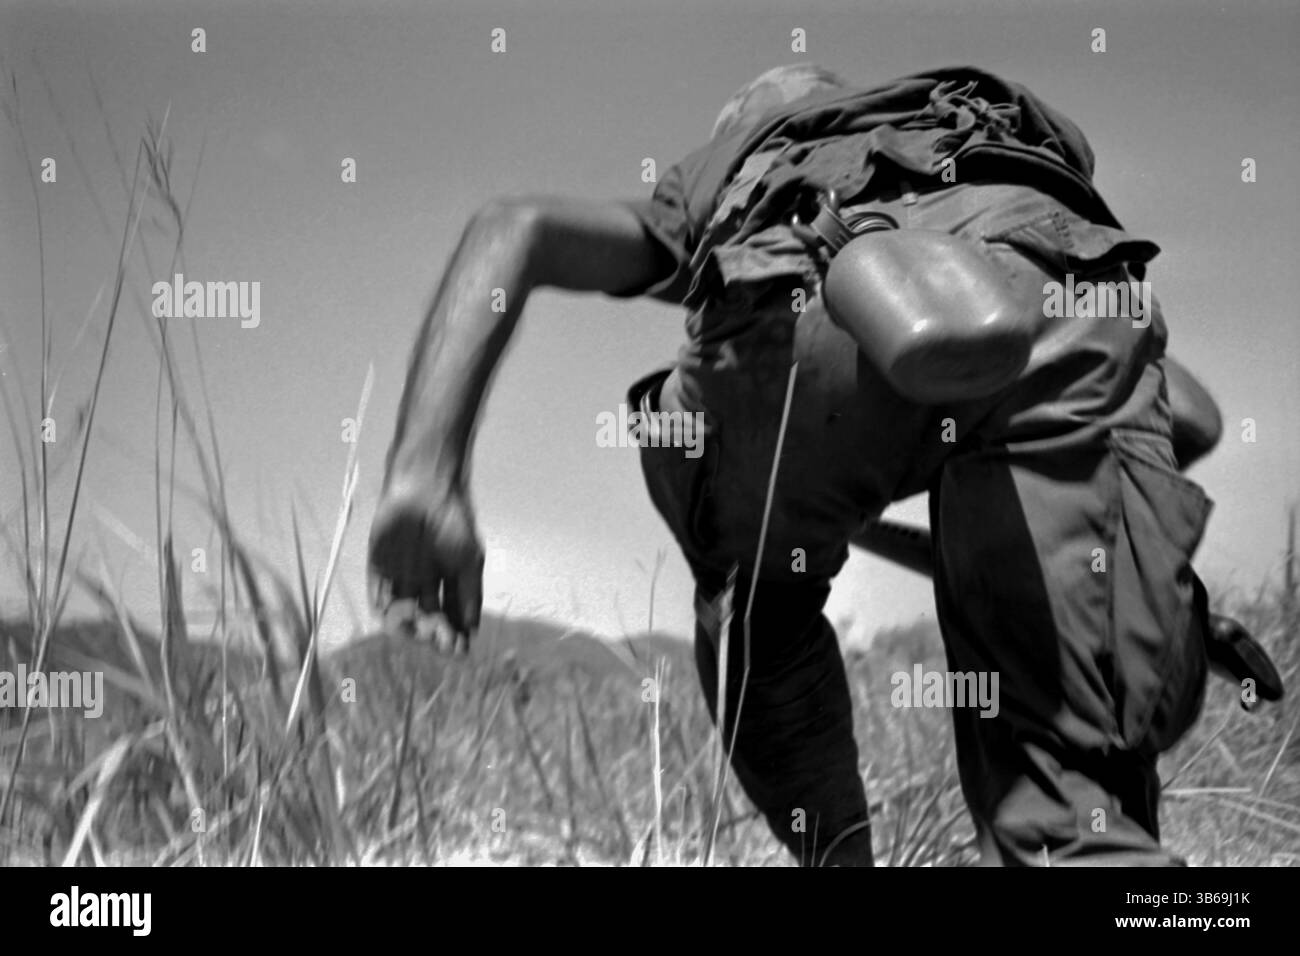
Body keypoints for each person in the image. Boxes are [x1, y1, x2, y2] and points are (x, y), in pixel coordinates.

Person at [368, 64, 1275, 867]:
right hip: (1069, 291)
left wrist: (425, 472)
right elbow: (1176, 413)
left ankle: (838, 860)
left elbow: (513, 226)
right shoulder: (966, 118)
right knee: (1079, 824)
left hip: (807, 308)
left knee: (748, 582)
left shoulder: (748, 156)